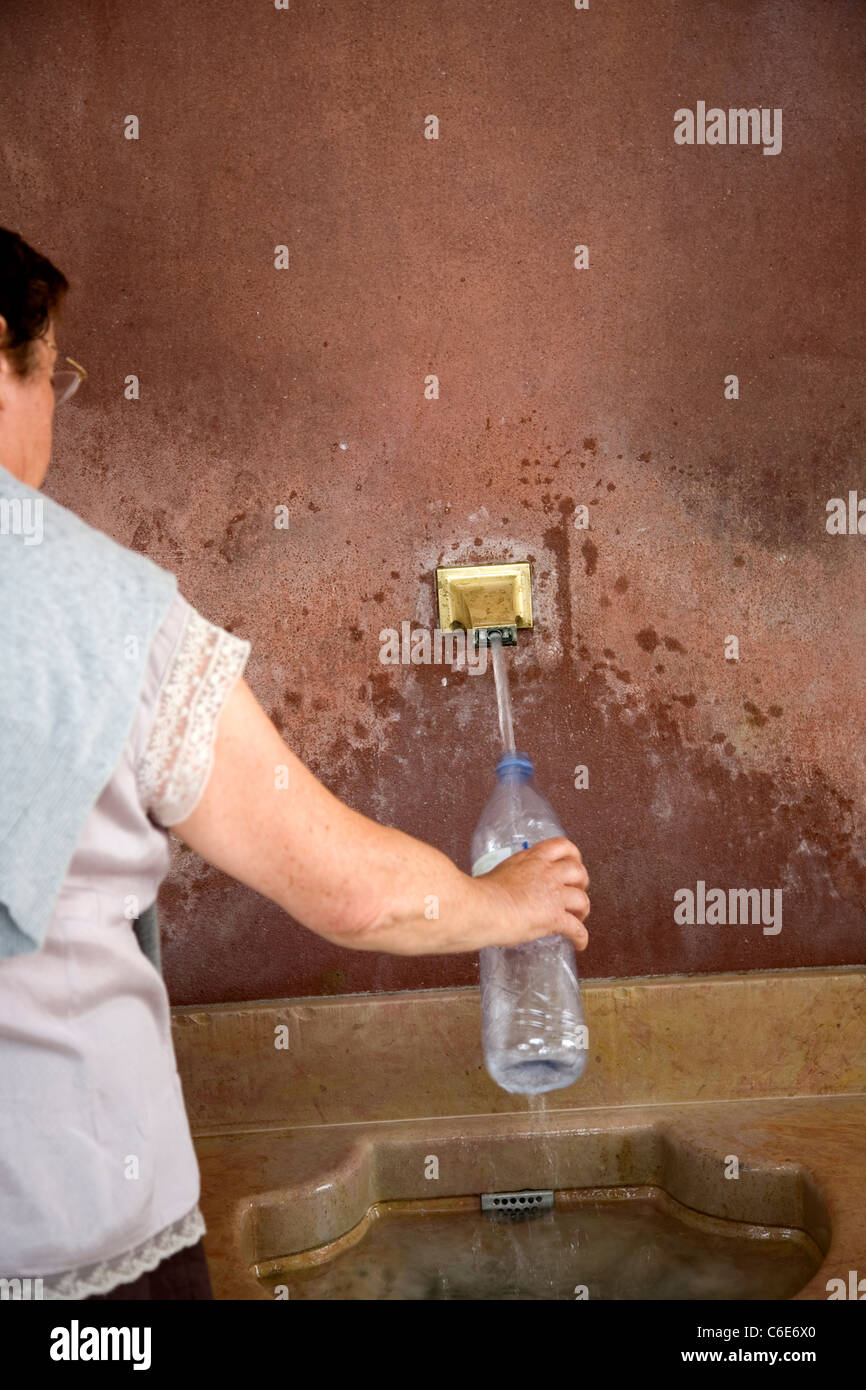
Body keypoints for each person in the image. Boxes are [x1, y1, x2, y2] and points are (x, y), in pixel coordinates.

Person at [0, 228, 590, 1300]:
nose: (55, 406)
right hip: (65, 1239)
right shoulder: (105, 618)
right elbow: (347, 890)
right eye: (53, 371)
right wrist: (500, 904)